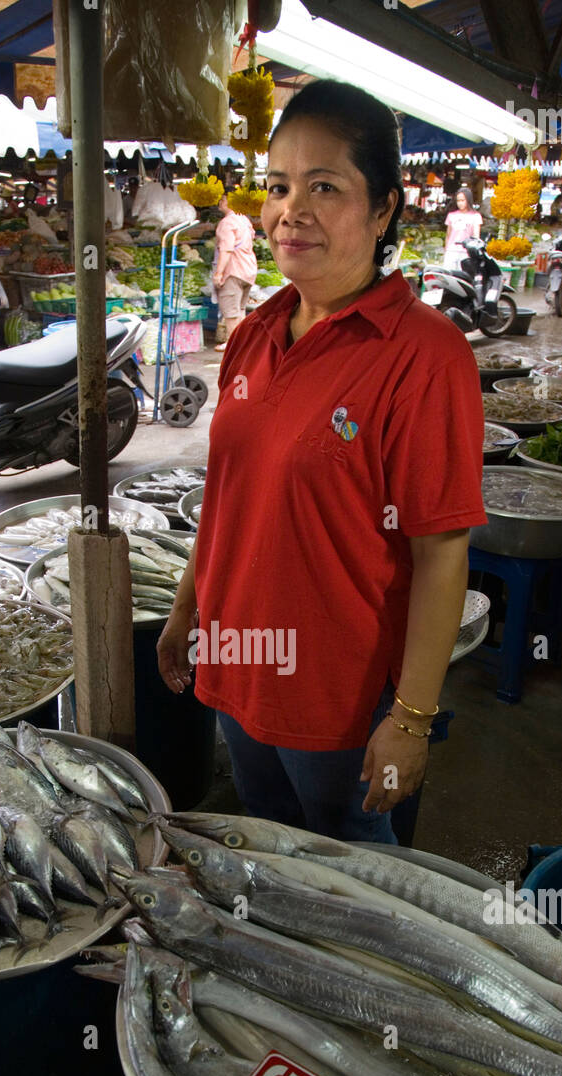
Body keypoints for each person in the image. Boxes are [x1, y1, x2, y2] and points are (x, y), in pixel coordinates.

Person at [156, 79, 486, 843]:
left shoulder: (423, 353)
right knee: (272, 846)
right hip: (238, 666)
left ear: (384, 210)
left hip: (338, 700)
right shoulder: (254, 331)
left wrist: (411, 719)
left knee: (353, 885)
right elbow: (227, 494)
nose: (289, 211)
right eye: (278, 187)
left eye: (324, 187)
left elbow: (442, 551)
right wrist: (187, 605)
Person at [211, 192, 258, 352]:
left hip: (233, 271)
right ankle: (242, 344)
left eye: (223, 199)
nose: (220, 202)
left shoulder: (227, 223)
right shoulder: (244, 220)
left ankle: (235, 348)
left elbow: (227, 249)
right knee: (240, 309)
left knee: (231, 313)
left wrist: (218, 273)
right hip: (248, 270)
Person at [443, 186, 482, 270]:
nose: (460, 203)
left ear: (468, 200)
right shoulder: (451, 215)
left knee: (463, 278)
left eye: (462, 200)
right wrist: (446, 249)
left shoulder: (476, 216)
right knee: (448, 276)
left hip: (466, 253)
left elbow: (476, 237)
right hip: (451, 251)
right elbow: (448, 235)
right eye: (458, 201)